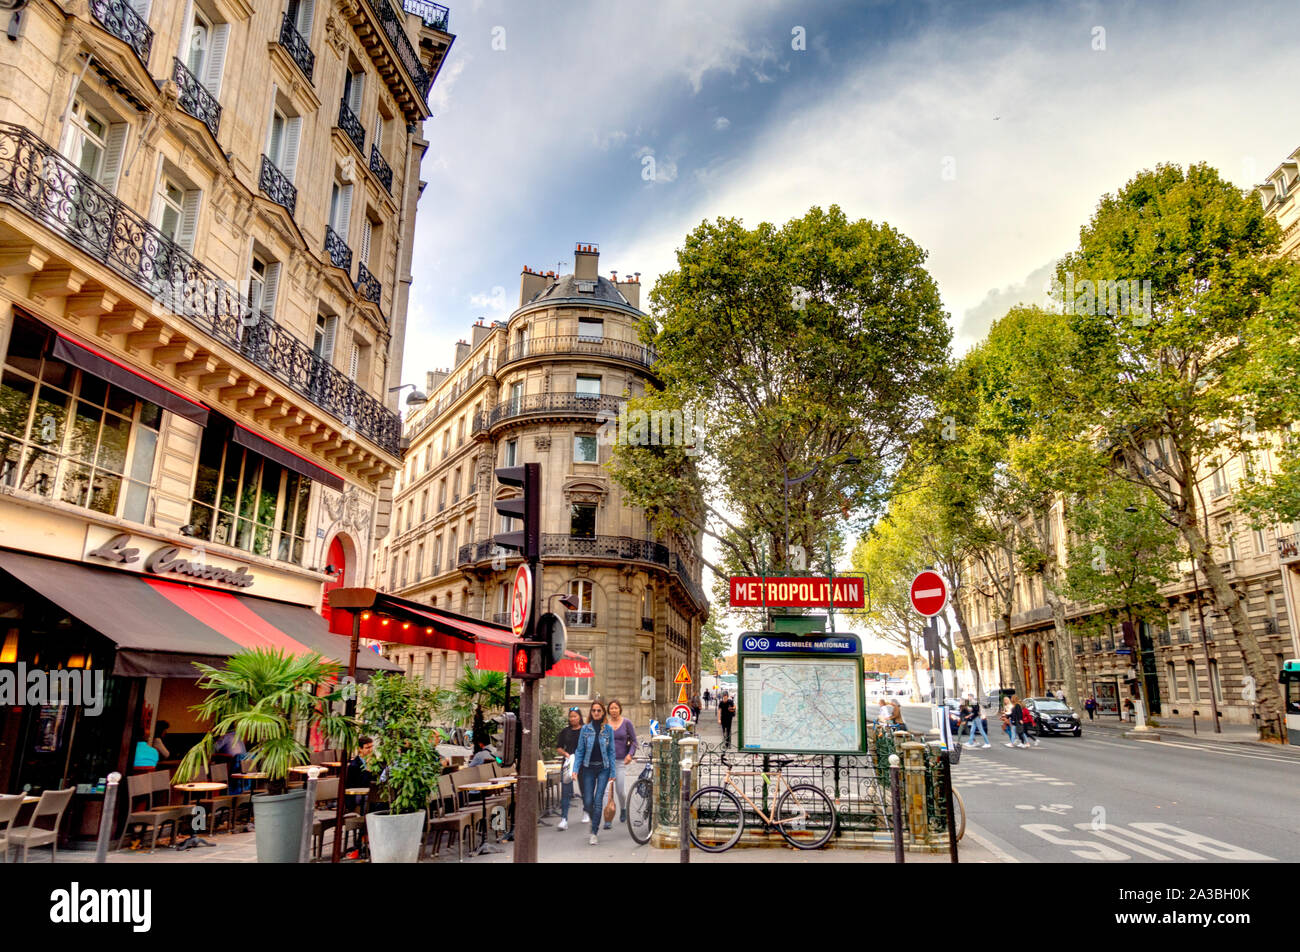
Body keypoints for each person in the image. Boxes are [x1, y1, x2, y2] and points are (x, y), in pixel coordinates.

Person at [571, 699, 615, 845]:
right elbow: (580, 750)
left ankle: (594, 831)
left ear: (603, 713)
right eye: (593, 710)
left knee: (597, 801)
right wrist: (575, 769)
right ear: (591, 713)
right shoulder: (585, 729)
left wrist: (612, 773)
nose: (596, 713)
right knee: (588, 801)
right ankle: (594, 819)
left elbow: (611, 752)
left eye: (599, 710)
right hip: (588, 769)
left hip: (603, 768)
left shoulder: (608, 730)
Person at [605, 699, 638, 830]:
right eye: (611, 708)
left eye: (615, 708)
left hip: (620, 761)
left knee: (620, 790)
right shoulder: (605, 724)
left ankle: (623, 808)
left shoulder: (626, 723)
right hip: (606, 762)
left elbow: (634, 741)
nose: (613, 710)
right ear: (608, 710)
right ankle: (608, 817)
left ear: (620, 709)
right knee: (607, 790)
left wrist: (630, 754)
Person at [555, 707, 583, 831]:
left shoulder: (585, 730)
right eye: (571, 716)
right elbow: (559, 747)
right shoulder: (565, 731)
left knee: (586, 789)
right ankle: (564, 819)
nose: (572, 718)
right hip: (568, 762)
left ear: (580, 717)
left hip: (583, 763)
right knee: (565, 792)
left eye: (575, 716)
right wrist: (566, 754)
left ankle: (587, 810)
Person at [347, 737, 375, 811]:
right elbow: (362, 784)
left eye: (372, 746)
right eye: (367, 747)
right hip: (357, 795)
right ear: (360, 749)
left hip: (371, 792)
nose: (370, 750)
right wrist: (368, 768)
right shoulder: (354, 765)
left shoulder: (375, 762)